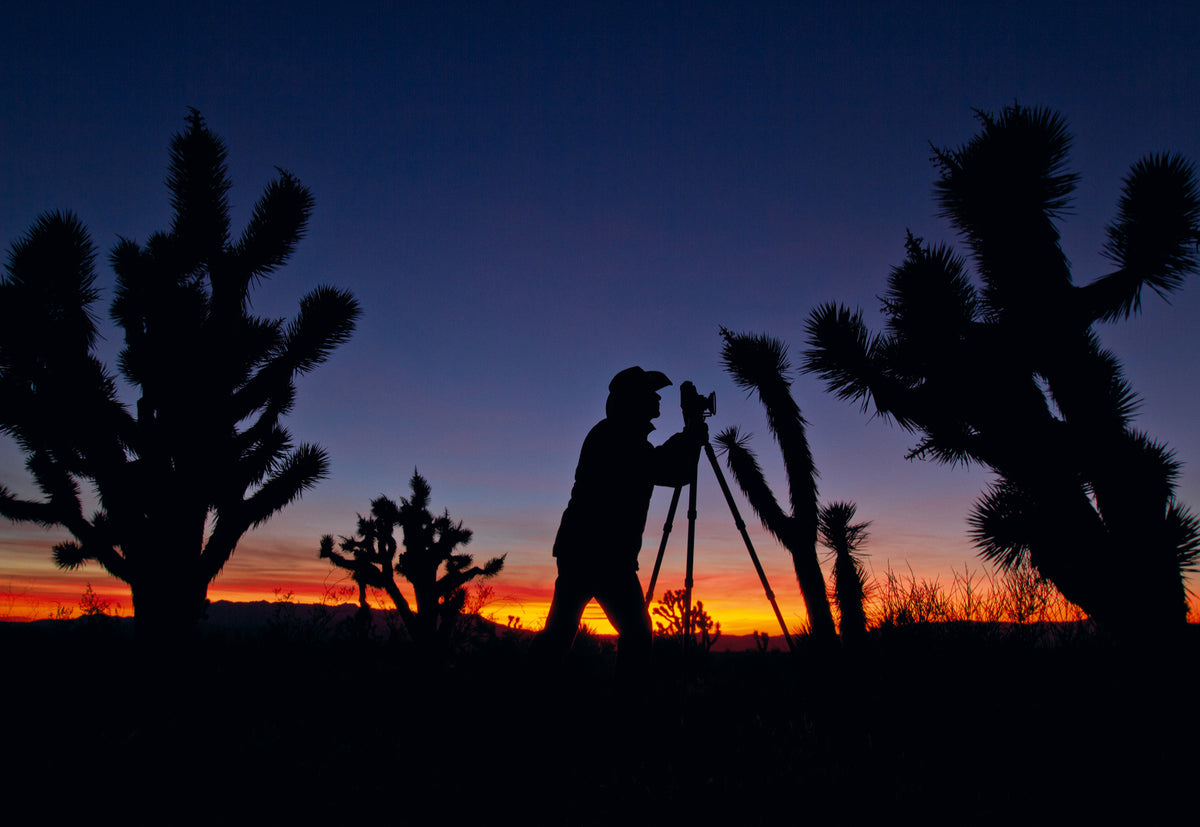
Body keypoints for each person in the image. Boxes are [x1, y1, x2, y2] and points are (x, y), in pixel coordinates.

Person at [531, 365, 705, 679]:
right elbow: (669, 469)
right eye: (650, 394)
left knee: (560, 633)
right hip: (604, 557)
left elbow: (664, 466)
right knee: (635, 633)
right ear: (632, 401)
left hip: (584, 551)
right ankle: (626, 712)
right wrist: (692, 431)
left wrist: (689, 433)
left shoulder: (616, 434)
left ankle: (531, 689)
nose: (657, 399)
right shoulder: (617, 438)